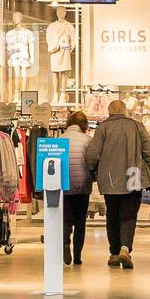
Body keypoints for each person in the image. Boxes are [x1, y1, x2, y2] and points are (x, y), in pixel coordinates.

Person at [84, 99, 150, 270]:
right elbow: (148, 150)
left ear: (109, 112)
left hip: (109, 177)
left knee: (112, 215)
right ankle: (125, 249)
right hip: (134, 174)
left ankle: (114, 253)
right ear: (124, 111)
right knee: (129, 215)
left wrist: (94, 171)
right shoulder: (137, 126)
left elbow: (93, 154)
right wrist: (145, 167)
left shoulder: (103, 128)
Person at [61, 111, 92, 266]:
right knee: (80, 222)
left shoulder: (60, 139)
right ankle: (78, 255)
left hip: (64, 185)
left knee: (66, 218)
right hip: (82, 185)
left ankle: (65, 243)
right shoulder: (88, 140)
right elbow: (92, 162)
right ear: (84, 124)